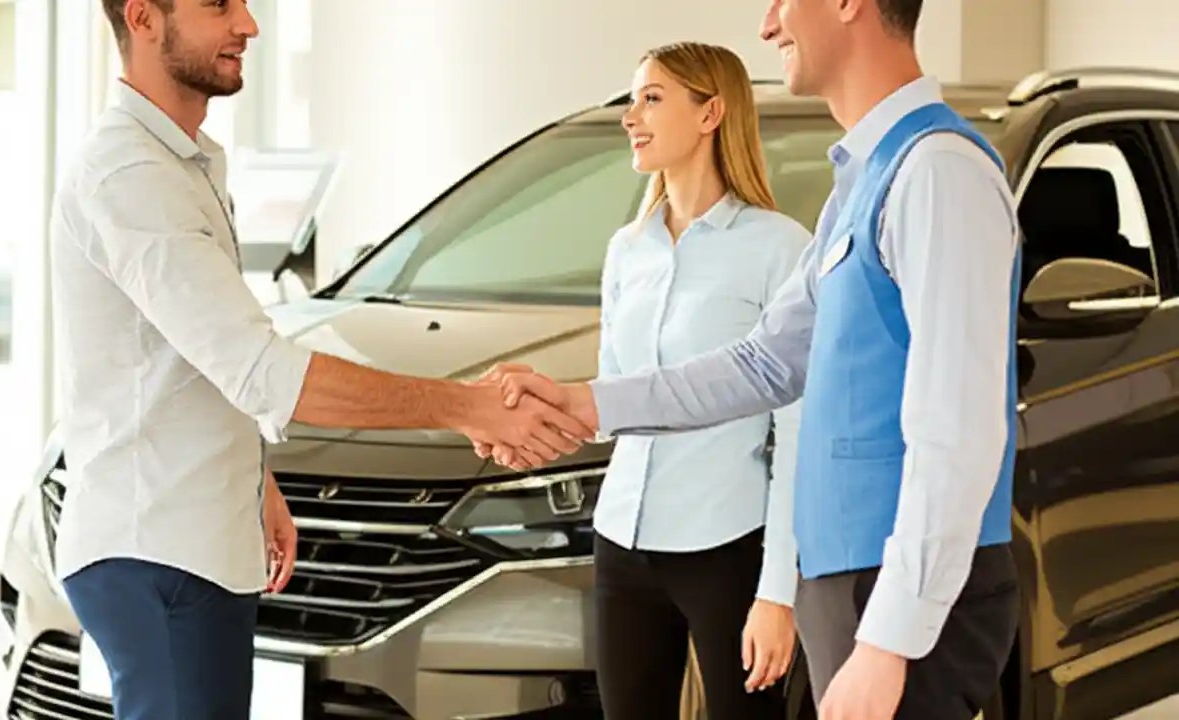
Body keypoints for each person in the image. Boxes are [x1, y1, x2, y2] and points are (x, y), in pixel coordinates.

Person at [482, 1, 1022, 718]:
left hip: (889, 592)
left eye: (782, 1)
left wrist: (888, 641)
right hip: (848, 583)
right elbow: (764, 363)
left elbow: (958, 431)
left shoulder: (937, 172)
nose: (768, 25)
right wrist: (585, 403)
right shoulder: (865, 181)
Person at [50, 2, 590, 718]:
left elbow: (192, 357)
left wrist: (253, 479)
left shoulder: (183, 162)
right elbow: (261, 368)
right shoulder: (131, 175)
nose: (249, 24)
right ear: (144, 17)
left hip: (194, 540)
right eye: (218, 4)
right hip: (159, 553)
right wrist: (468, 407)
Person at [539, 41, 810, 720]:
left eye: (652, 98)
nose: (630, 116)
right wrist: (531, 421)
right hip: (622, 542)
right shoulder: (627, 249)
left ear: (710, 113)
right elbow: (615, 399)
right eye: (633, 99)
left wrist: (778, 593)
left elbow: (799, 437)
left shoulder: (780, 247)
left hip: (728, 546)